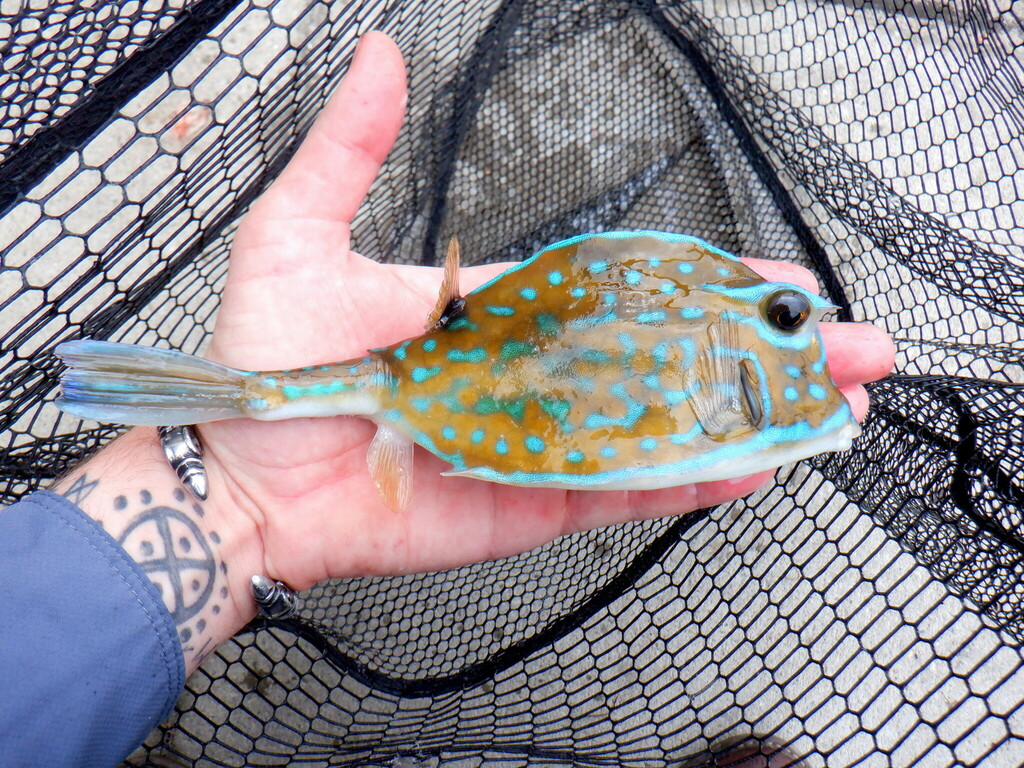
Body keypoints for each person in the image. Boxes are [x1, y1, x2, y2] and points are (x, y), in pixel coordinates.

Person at [0, 32, 895, 767]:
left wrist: (223, 498)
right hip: (423, 391)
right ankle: (226, 415)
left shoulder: (727, 374)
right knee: (283, 398)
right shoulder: (722, 355)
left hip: (430, 395)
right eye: (785, 317)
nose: (798, 336)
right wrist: (233, 494)